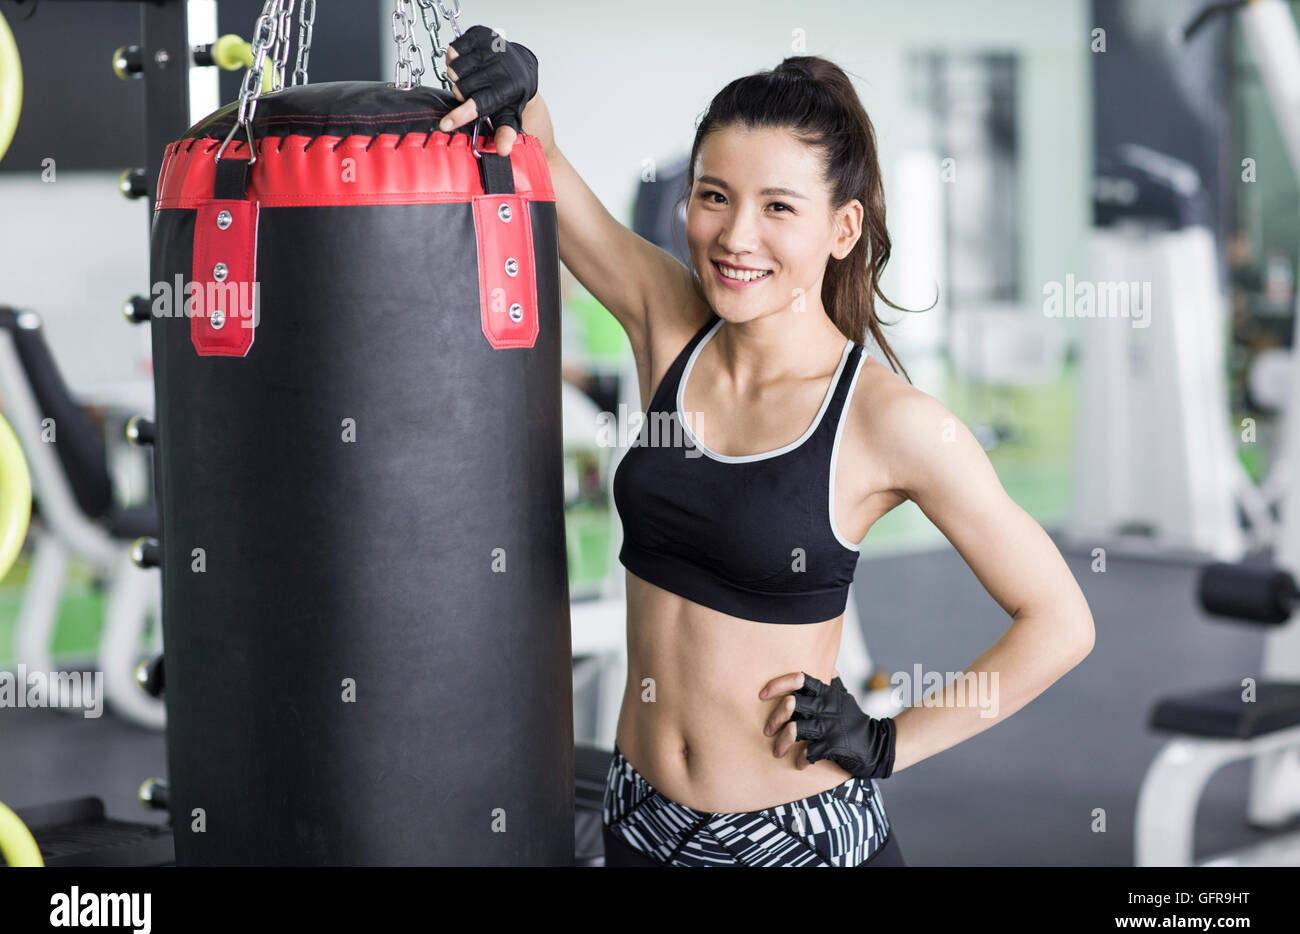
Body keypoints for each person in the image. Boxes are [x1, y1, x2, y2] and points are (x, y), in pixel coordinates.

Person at [440, 26, 1096, 867]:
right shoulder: (669, 324)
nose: (734, 236)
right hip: (638, 820)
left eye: (778, 207)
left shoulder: (888, 421)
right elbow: (548, 166)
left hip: (792, 843)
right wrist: (521, 86)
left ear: (843, 227)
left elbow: (1060, 621)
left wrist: (891, 742)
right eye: (713, 196)